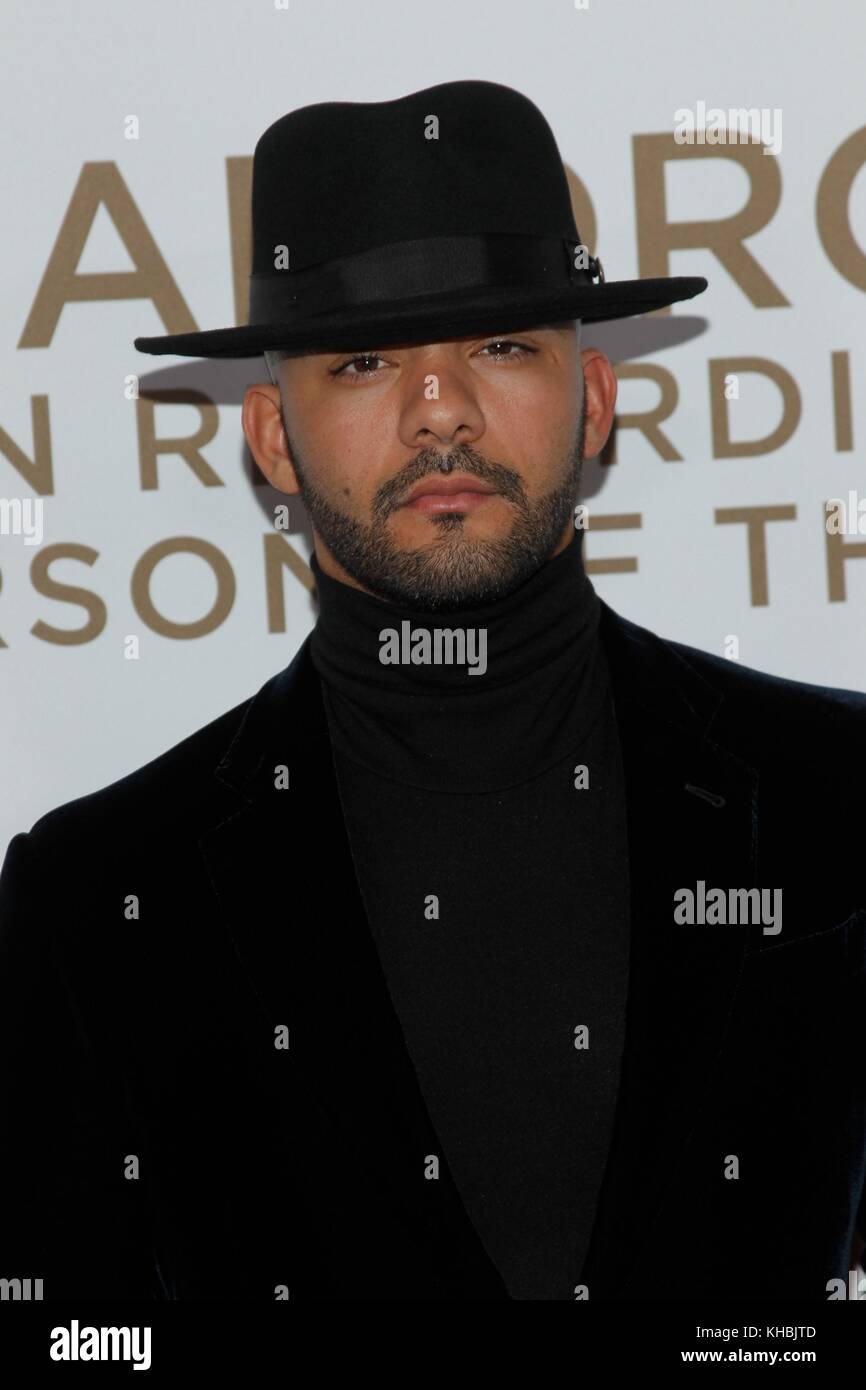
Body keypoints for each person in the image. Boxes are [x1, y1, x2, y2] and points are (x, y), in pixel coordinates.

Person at [1, 79, 864, 1302]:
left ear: (596, 401)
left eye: (501, 346)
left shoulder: (836, 794)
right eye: (362, 361)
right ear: (270, 439)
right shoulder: (101, 895)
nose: (438, 410)